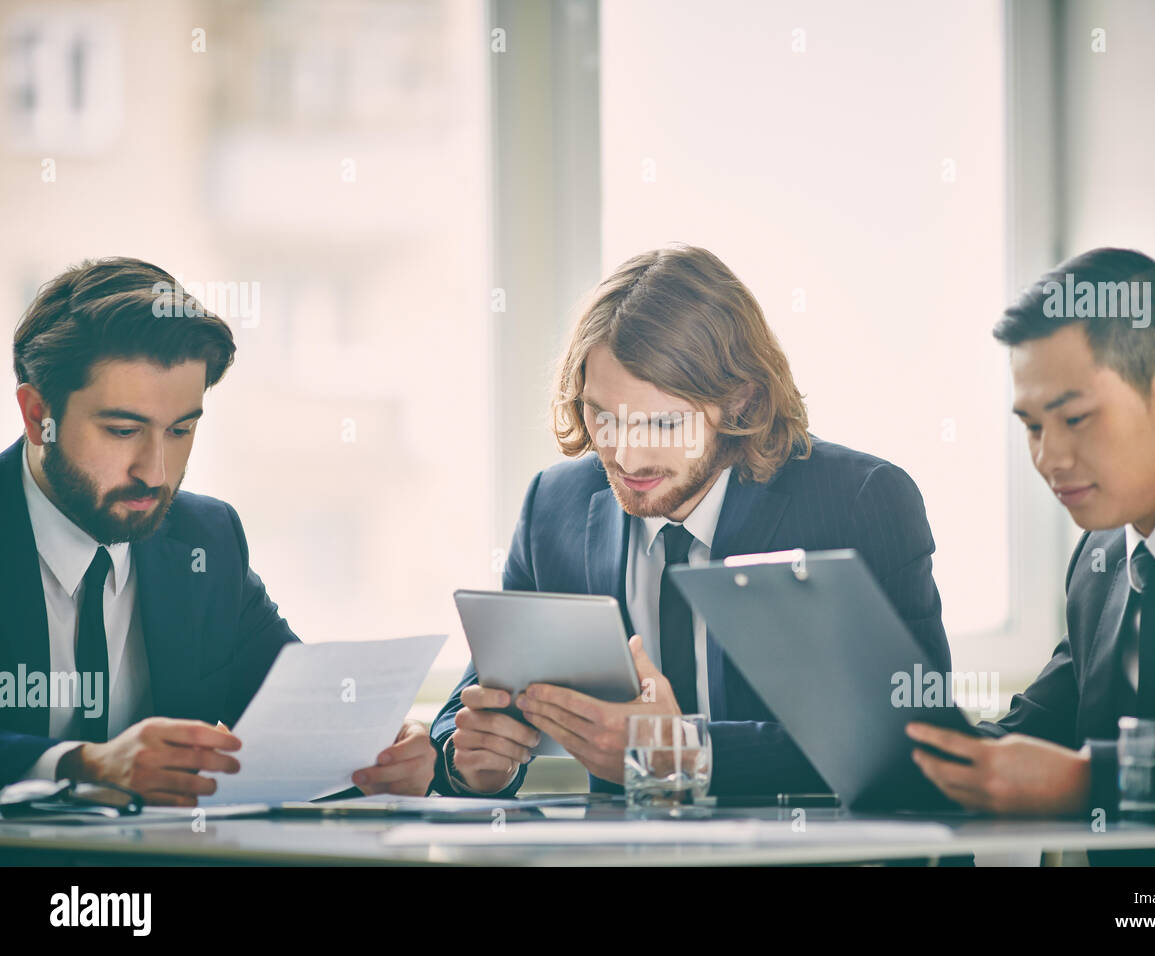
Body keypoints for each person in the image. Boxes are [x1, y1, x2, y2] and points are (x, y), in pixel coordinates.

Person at [431, 244, 949, 797]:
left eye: (661, 424)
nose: (625, 458)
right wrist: (476, 763)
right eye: (602, 416)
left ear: (742, 402)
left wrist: (688, 755)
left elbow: (918, 744)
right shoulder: (553, 507)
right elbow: (477, 702)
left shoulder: (859, 501)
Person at [0, 257, 436, 804]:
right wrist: (83, 765)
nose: (154, 472)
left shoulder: (205, 539)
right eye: (121, 430)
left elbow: (302, 724)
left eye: (181, 429)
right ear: (38, 412)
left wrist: (382, 757)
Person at [907, 248, 1155, 829]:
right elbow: (1037, 728)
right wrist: (915, 758)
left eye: (1075, 418)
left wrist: (1095, 780)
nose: (1048, 457)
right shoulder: (1102, 560)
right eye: (1032, 426)